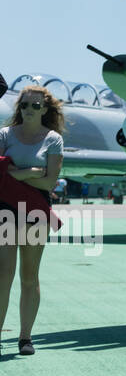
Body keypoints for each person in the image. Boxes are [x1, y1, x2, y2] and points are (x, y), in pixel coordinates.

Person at [0, 85, 64, 357]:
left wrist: (19, 173)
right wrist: (34, 171)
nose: (29, 110)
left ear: (45, 110)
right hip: (5, 209)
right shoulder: (4, 135)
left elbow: (50, 181)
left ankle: (25, 338)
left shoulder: (53, 139)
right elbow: (2, 173)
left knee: (29, 276)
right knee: (3, 276)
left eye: (35, 106)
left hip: (36, 210)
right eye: (25, 105)